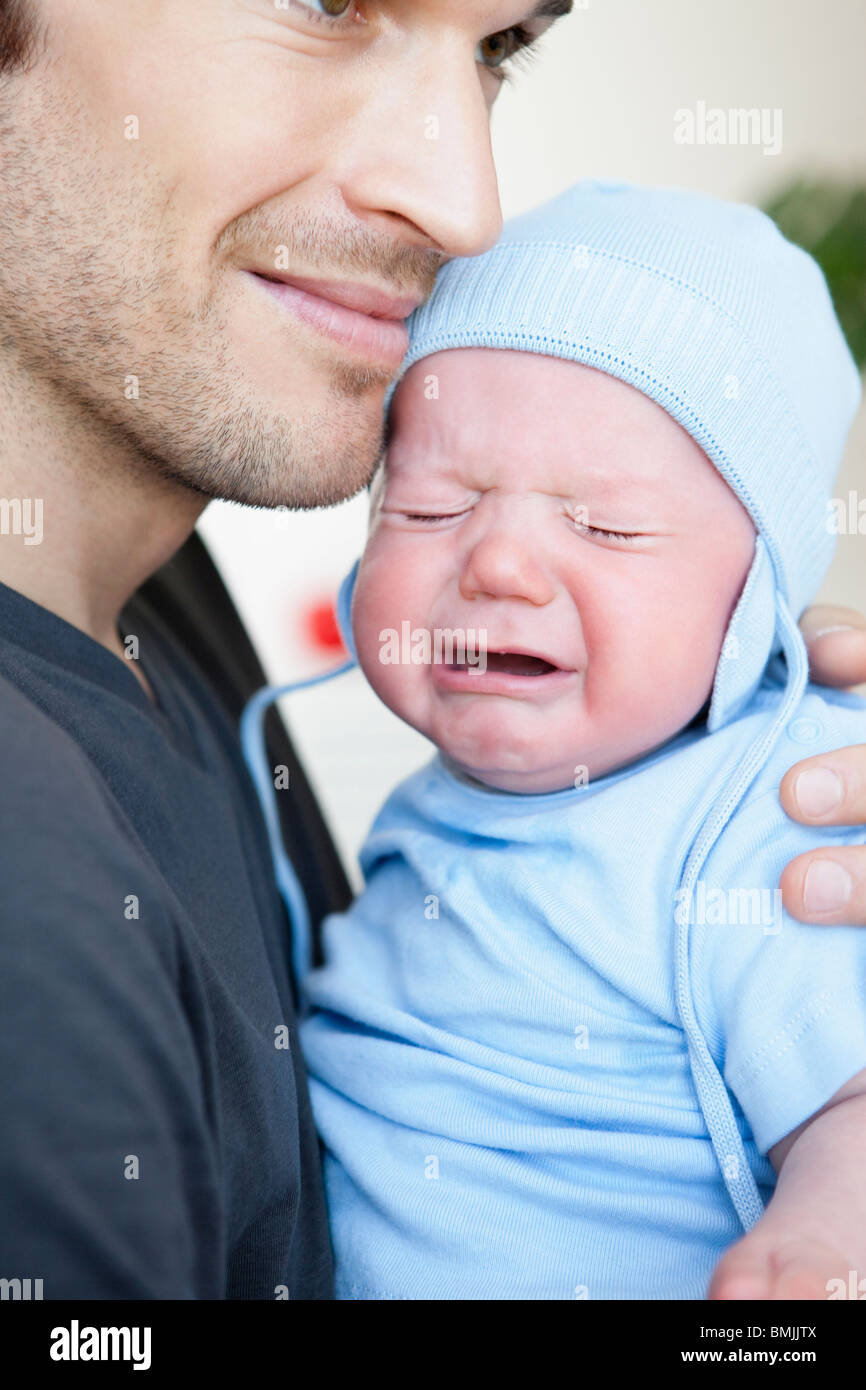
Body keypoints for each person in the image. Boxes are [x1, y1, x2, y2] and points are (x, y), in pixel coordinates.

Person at [0, 1, 864, 1301]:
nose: (464, 203)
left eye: (500, 48)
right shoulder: (37, 871)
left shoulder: (154, 597)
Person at [294, 181, 866, 1299]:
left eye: (604, 524)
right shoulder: (431, 802)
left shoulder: (770, 821)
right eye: (427, 508)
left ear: (754, 603)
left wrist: (819, 1249)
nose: (497, 564)